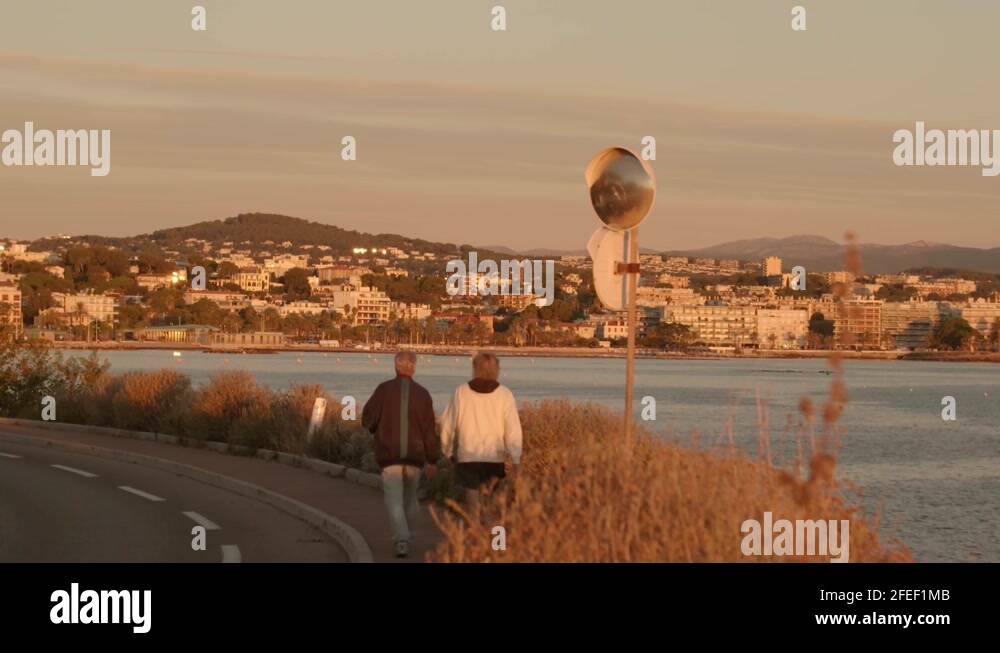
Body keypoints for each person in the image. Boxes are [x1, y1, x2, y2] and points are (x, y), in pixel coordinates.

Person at [361, 351, 439, 558]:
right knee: (411, 498)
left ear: (396, 367)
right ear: (414, 368)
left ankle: (402, 540)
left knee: (393, 500)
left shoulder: (383, 390)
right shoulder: (423, 394)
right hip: (416, 456)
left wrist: (374, 429)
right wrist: (432, 459)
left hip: (389, 455)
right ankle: (408, 536)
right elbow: (429, 431)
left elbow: (367, 418)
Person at [440, 352, 522, 510]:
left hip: (468, 454)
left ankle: (474, 527)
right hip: (494, 456)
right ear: (496, 369)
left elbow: (447, 424)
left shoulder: (461, 392)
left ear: (475, 368)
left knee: (471, 494)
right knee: (491, 499)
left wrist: (448, 450)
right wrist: (516, 457)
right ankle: (494, 532)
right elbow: (513, 430)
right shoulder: (505, 394)